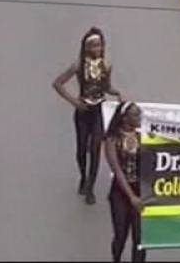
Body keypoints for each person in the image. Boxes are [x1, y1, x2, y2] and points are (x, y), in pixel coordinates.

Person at [52, 28, 124, 206]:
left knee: (95, 148)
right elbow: (58, 83)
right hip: (83, 111)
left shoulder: (106, 65)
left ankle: (91, 187)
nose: (97, 48)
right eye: (93, 45)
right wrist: (74, 102)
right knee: (82, 148)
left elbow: (106, 87)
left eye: (99, 45)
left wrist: (118, 93)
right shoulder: (78, 65)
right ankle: (83, 176)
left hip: (99, 110)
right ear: (86, 47)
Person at [102, 102, 147, 263]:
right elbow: (117, 170)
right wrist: (131, 197)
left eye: (139, 115)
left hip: (141, 190)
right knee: (121, 234)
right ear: (125, 118)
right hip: (120, 192)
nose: (139, 118)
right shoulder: (112, 140)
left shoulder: (143, 138)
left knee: (140, 238)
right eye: (135, 115)